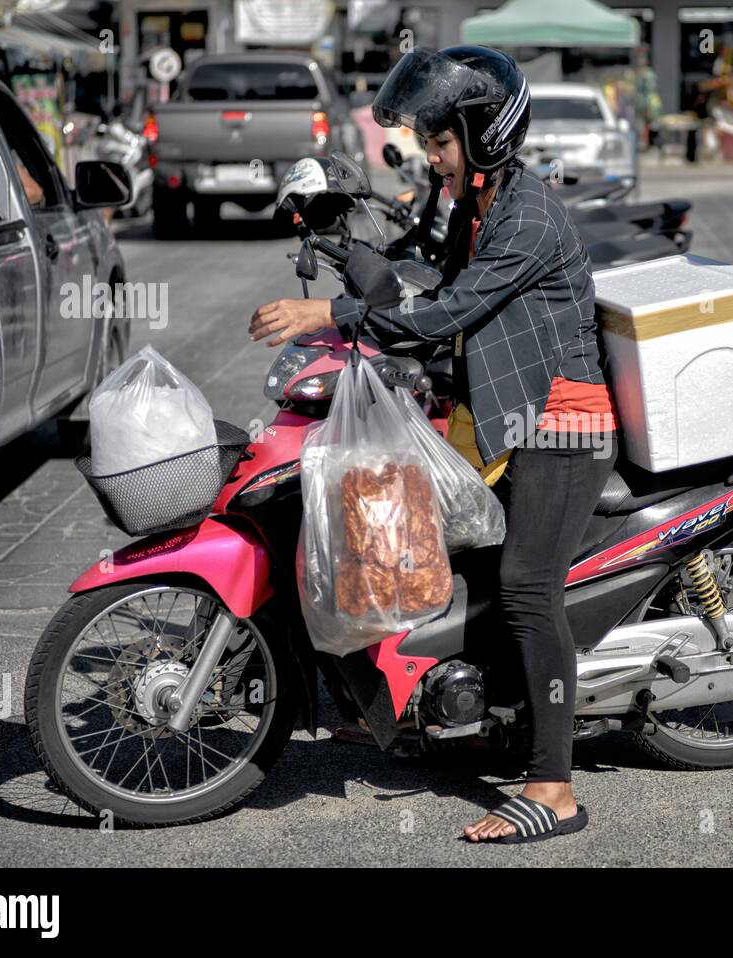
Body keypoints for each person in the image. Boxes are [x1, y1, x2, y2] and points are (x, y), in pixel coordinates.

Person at [247, 45, 619, 844]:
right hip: (505, 411)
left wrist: (327, 317)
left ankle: (554, 788)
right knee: (458, 561)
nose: (432, 155)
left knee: (524, 587)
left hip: (562, 422)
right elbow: (419, 273)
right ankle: (479, 717)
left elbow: (445, 313)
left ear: (483, 134)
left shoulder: (524, 215)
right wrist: (347, 243)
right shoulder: (478, 199)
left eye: (441, 141)